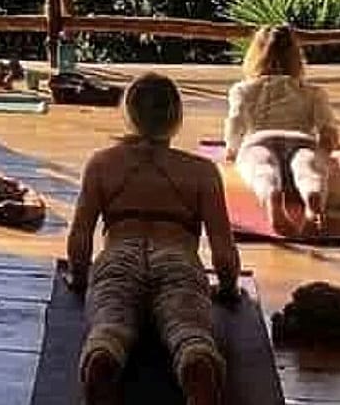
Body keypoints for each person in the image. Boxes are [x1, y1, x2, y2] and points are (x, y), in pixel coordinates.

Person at [66, 73, 240, 405]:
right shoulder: (201, 171)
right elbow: (223, 250)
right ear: (177, 117)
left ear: (128, 114)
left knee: (110, 320)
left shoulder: (103, 164)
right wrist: (229, 288)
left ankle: (104, 354)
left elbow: (80, 236)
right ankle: (195, 359)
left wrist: (79, 277)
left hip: (119, 256)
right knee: (188, 325)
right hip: (177, 257)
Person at [223, 25, 340, 236]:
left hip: (259, 140)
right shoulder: (313, 92)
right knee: (309, 168)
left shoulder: (242, 89)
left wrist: (232, 149)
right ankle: (312, 197)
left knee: (261, 168)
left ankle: (271, 194)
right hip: (302, 141)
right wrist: (324, 153)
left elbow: (236, 122)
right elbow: (328, 130)